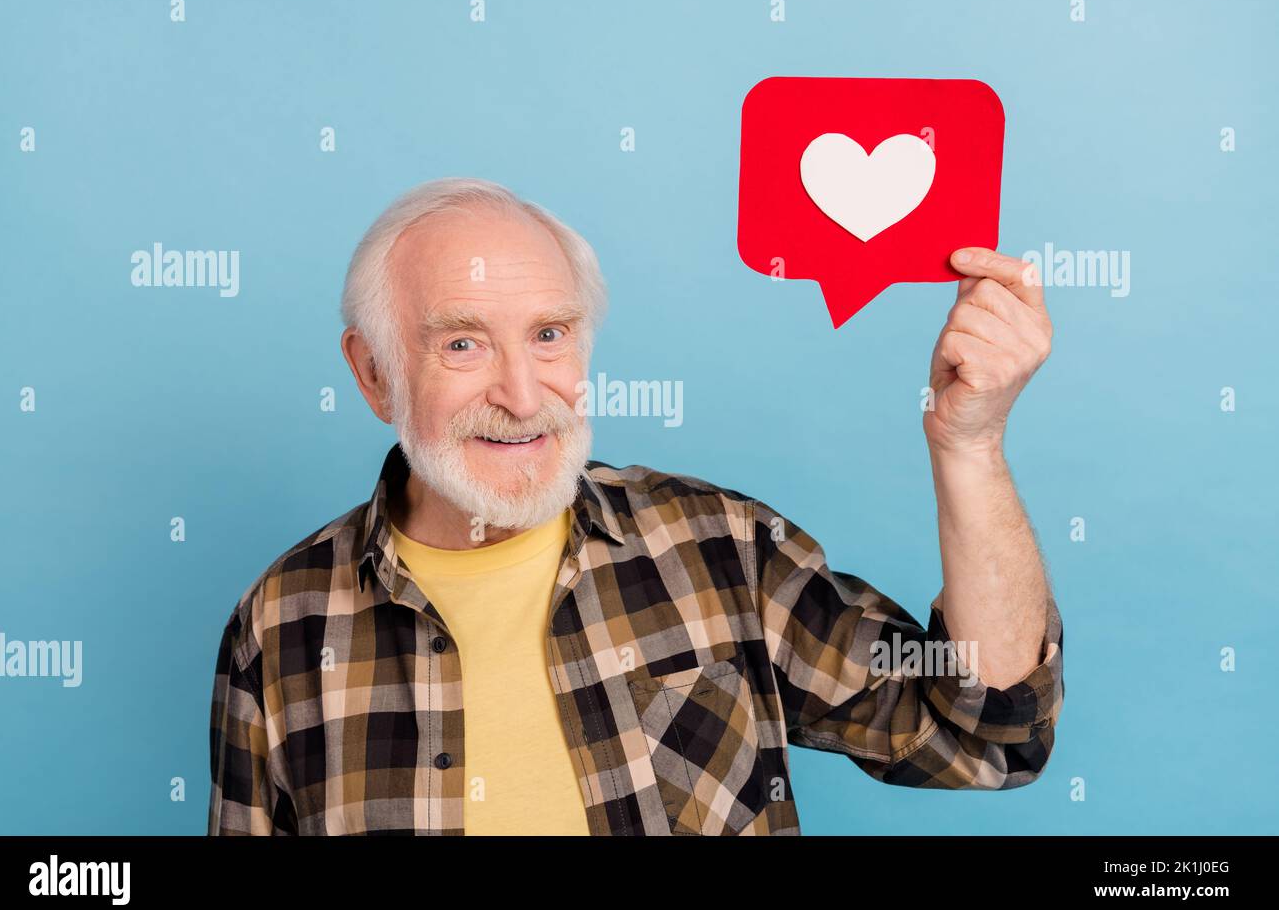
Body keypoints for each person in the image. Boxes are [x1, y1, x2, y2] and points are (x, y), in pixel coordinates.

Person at [207, 177, 1063, 835]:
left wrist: (970, 445)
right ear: (374, 372)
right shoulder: (281, 627)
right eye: (462, 343)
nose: (520, 391)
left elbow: (987, 736)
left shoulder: (719, 549)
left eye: (549, 335)